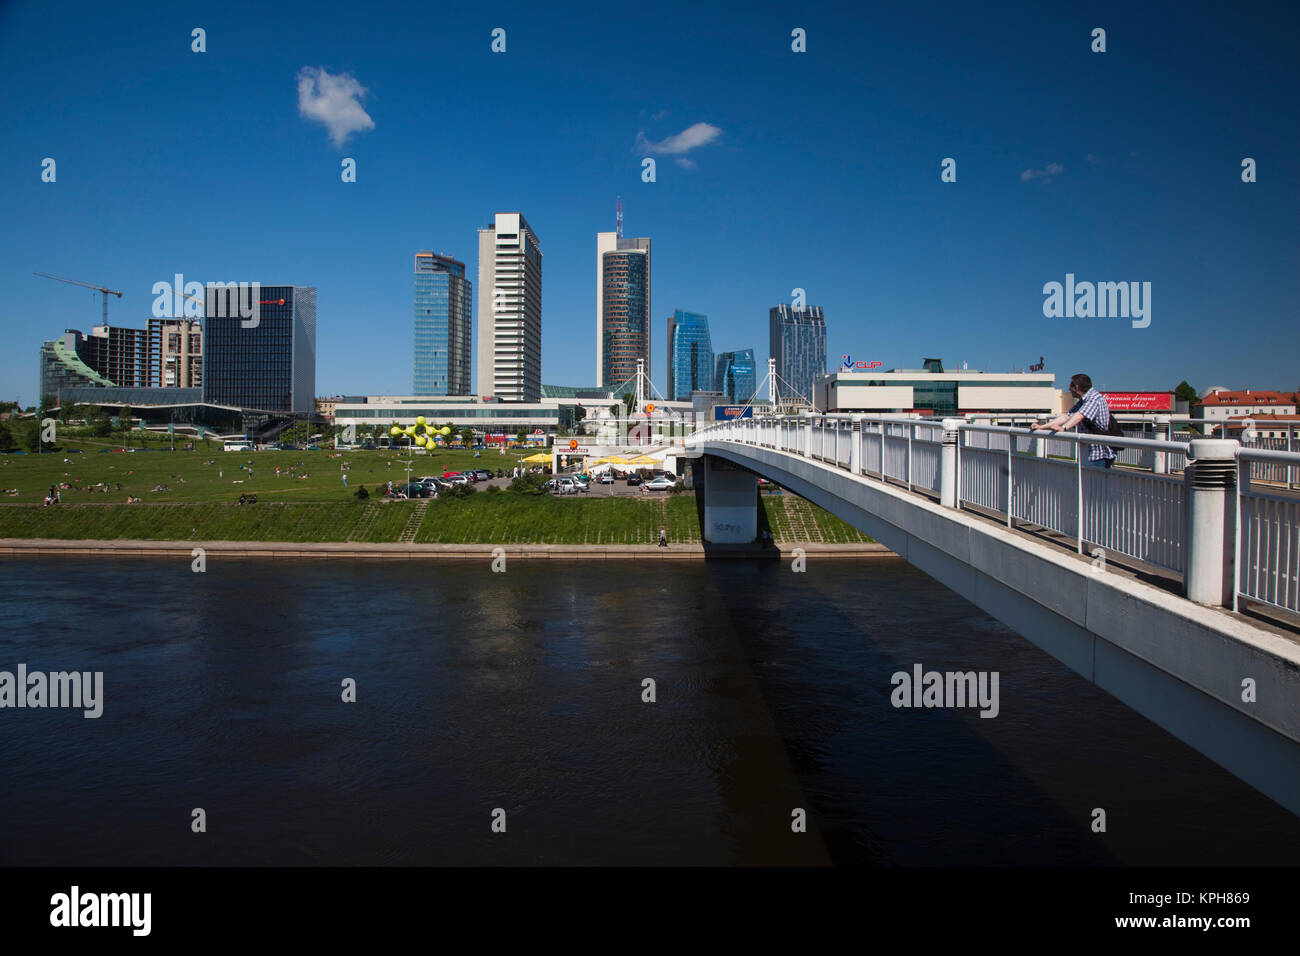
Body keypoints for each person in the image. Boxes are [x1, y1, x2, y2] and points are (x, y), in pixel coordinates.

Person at [1031, 373, 1117, 469]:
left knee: (1094, 483)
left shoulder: (1094, 399)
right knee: (1088, 481)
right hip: (1091, 452)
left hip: (1100, 454)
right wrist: (1041, 427)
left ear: (1076, 387)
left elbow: (1080, 416)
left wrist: (1063, 428)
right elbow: (1067, 417)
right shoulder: (1083, 400)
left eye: (1070, 386)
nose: (1068, 389)